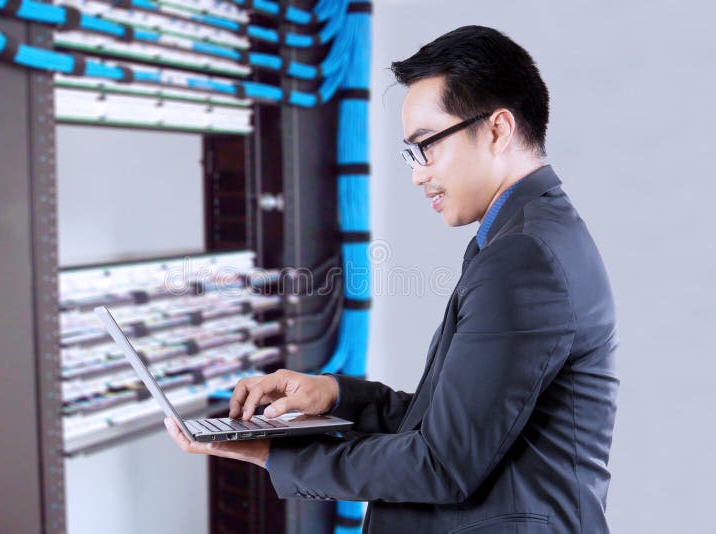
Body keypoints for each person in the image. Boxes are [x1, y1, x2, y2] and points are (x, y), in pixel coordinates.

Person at [164, 25, 619, 533]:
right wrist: (334, 395)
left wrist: (275, 454)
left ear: (497, 130)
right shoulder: (522, 240)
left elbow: (442, 464)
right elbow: (453, 425)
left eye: (426, 146)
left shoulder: (525, 259)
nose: (417, 173)